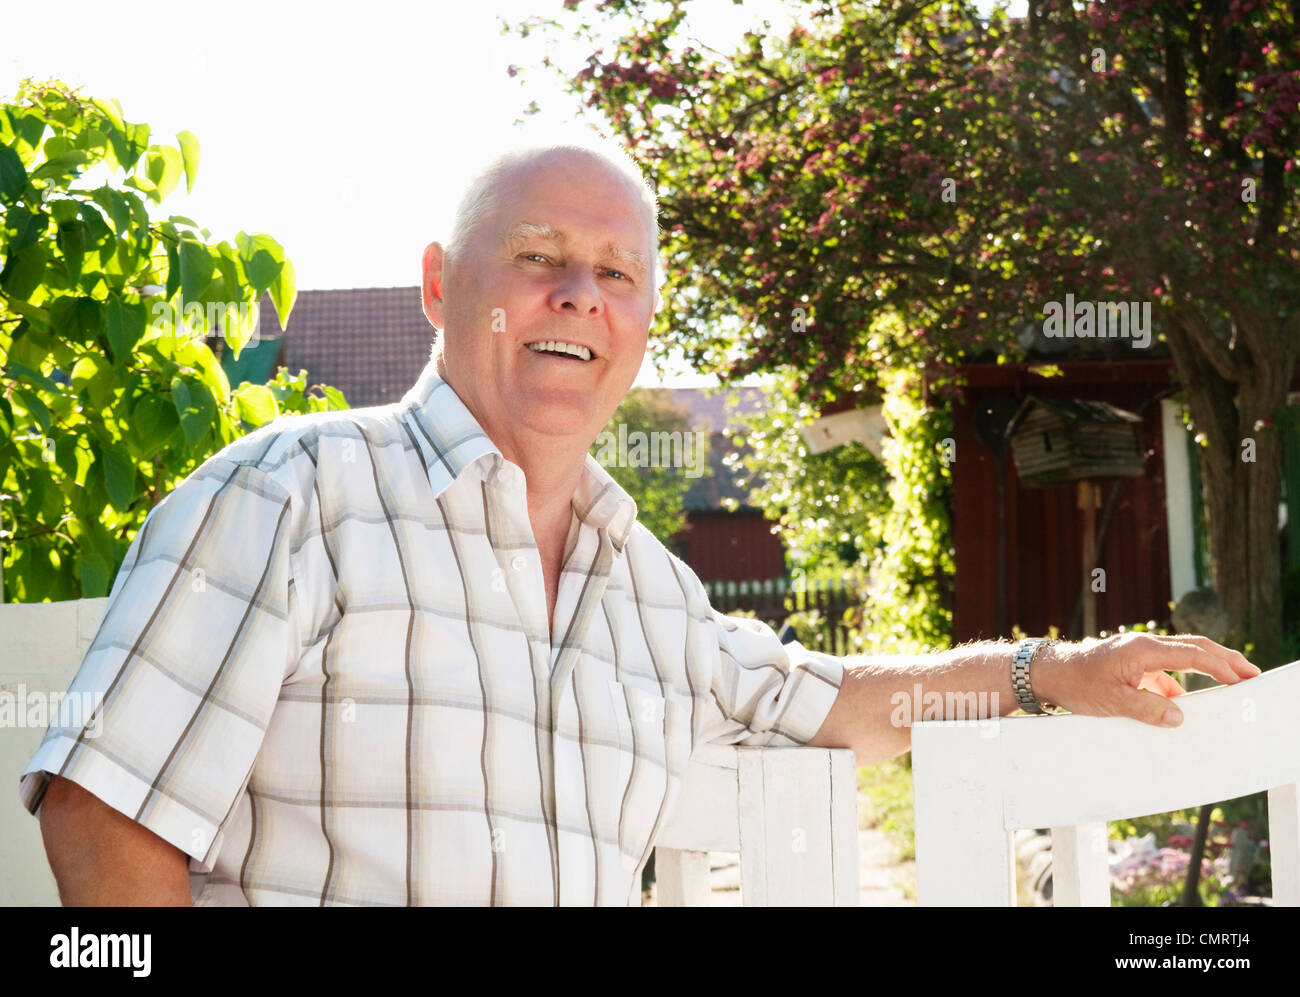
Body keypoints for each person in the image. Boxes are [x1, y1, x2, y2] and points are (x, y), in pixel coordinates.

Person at [20, 131, 1260, 906]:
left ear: (642, 321)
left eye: (615, 273)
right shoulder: (290, 495)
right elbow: (102, 813)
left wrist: (1060, 668)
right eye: (537, 255)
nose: (578, 294)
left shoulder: (649, 590)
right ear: (442, 286)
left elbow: (844, 700)